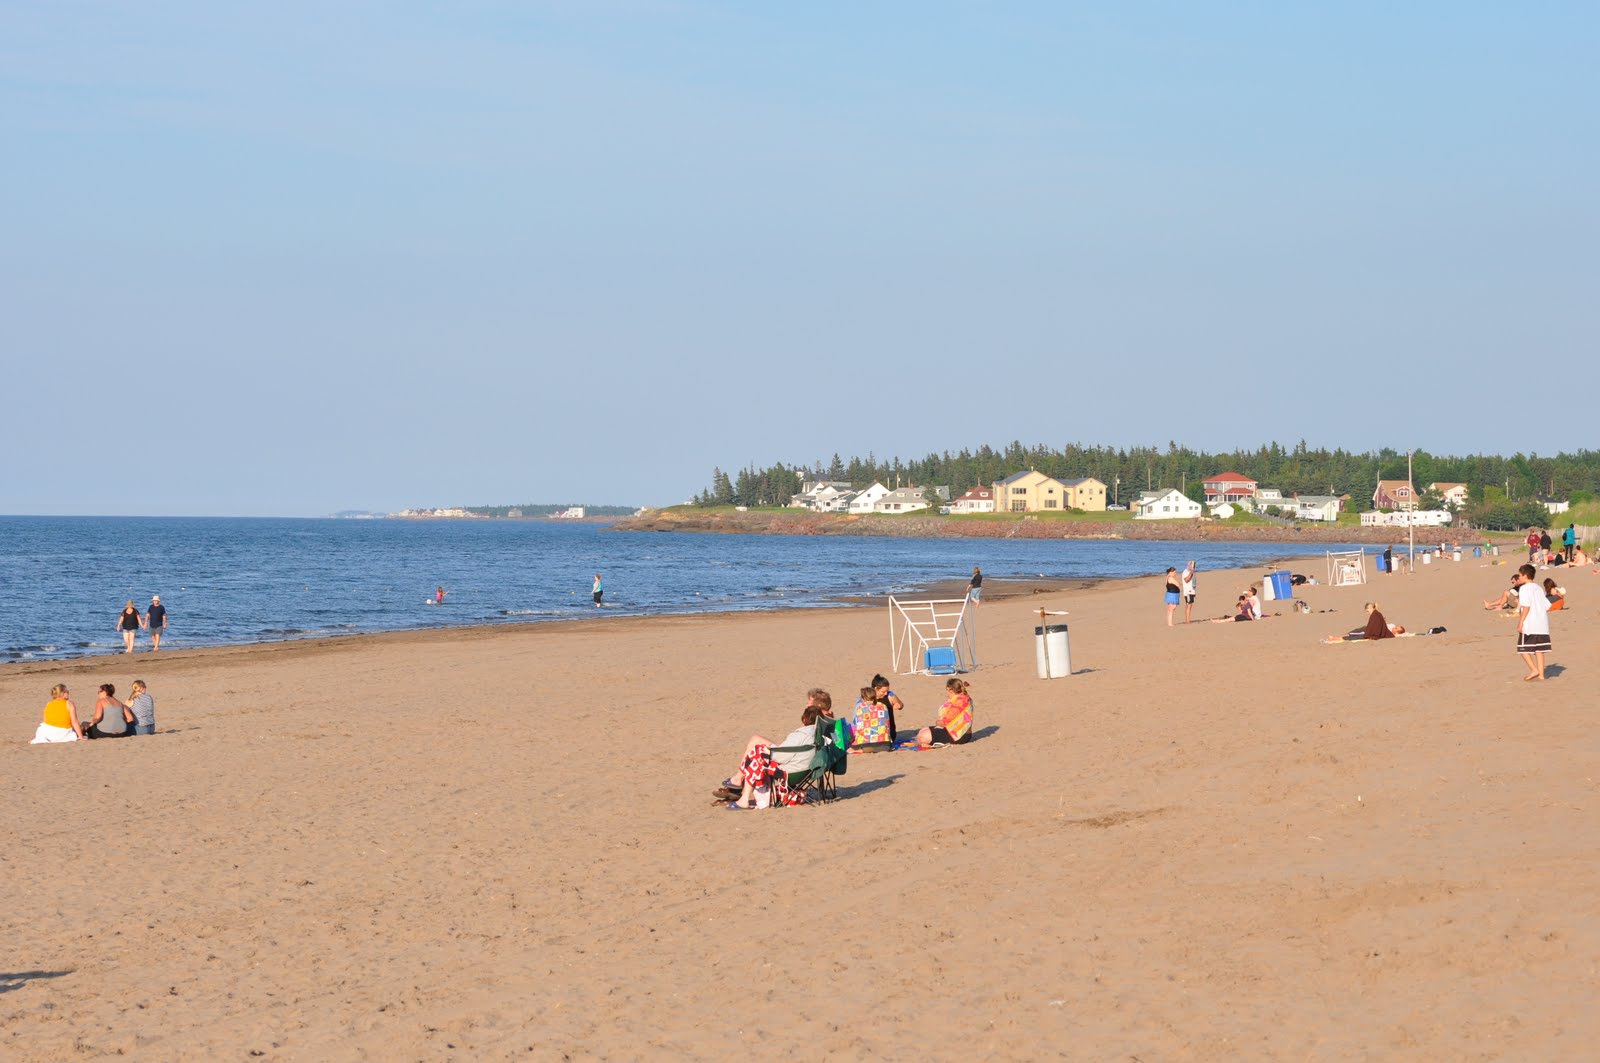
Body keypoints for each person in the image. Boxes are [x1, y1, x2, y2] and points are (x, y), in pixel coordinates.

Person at [724, 703, 826, 809]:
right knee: (758, 746)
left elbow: (781, 757)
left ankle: (743, 797)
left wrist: (769, 749)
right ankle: (738, 782)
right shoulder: (819, 735)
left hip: (791, 773)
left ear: (804, 719)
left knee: (756, 754)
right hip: (807, 770)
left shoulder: (800, 735)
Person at [1514, 563, 1552, 681]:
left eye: (1520, 575)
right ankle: (1541, 675)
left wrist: (1520, 623)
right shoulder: (1539, 588)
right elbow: (1547, 606)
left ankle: (1534, 670)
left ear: (1525, 575)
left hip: (1530, 624)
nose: (1519, 577)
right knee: (1539, 650)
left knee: (1522, 649)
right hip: (1542, 624)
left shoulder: (1524, 588)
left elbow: (1526, 607)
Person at [915, 678, 974, 747]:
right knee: (923, 730)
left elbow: (944, 723)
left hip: (959, 735)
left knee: (922, 737)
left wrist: (938, 722)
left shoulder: (959, 702)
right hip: (960, 732)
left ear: (949, 690)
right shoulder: (964, 697)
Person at [1323, 602, 1399, 643]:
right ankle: (1336, 638)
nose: (1367, 612)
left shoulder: (1375, 615)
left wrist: (1369, 635)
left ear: (1370, 608)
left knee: (1354, 636)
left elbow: (1373, 627)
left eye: (1367, 611)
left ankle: (1335, 638)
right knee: (1355, 634)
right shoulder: (1376, 614)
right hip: (1371, 632)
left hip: (1371, 634)